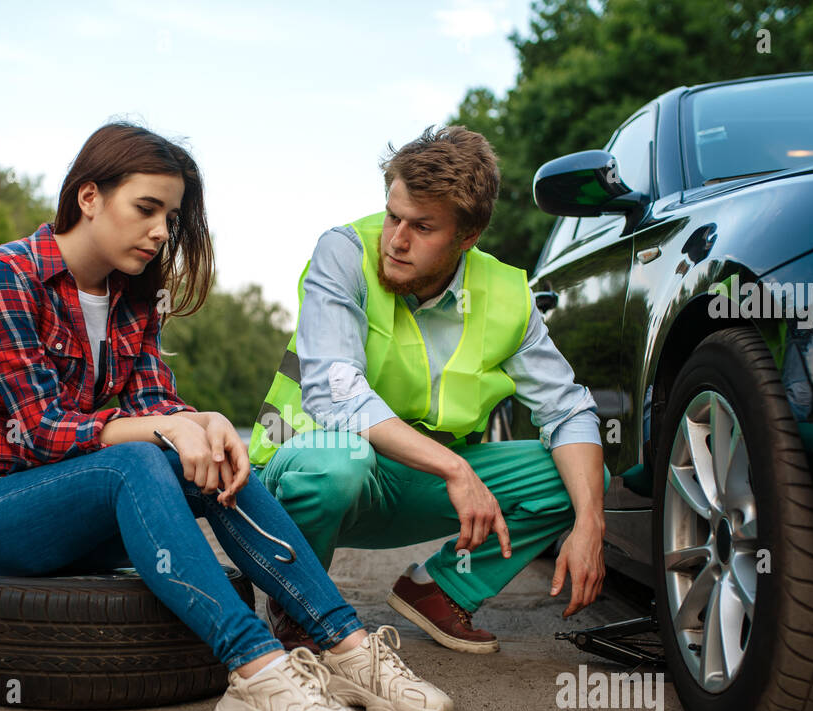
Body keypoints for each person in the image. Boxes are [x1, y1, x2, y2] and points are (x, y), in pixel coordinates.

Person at [0, 122, 452, 711]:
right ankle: (257, 673)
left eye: (170, 217)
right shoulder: (5, 275)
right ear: (89, 197)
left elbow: (154, 403)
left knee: (211, 453)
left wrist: (205, 422)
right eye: (146, 209)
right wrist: (169, 429)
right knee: (138, 459)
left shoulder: (131, 298)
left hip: (72, 513)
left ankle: (345, 649)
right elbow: (42, 430)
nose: (161, 232)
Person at [248, 126, 610, 655]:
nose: (396, 240)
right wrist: (455, 468)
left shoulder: (507, 293)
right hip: (309, 469)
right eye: (394, 216)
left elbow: (569, 410)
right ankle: (299, 600)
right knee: (339, 461)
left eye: (422, 227)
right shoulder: (343, 252)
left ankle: (440, 591)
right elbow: (335, 394)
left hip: (413, 481)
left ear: (467, 237)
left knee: (579, 477)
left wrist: (591, 523)